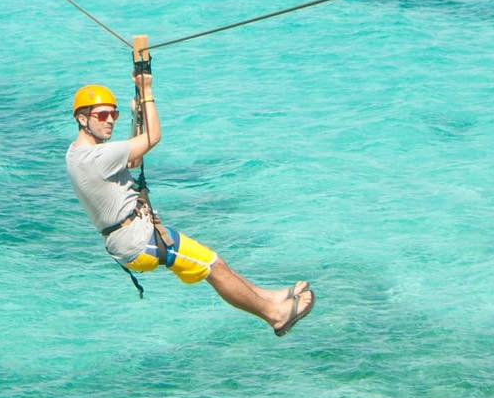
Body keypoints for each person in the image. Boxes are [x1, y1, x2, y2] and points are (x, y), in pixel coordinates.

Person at [66, 76, 315, 336]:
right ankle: (275, 315)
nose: (109, 121)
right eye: (102, 115)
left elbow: (133, 161)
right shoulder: (98, 157)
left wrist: (135, 116)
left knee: (214, 261)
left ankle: (270, 298)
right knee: (212, 267)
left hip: (134, 234)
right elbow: (153, 137)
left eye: (113, 115)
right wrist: (147, 91)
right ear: (83, 119)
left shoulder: (76, 154)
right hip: (137, 241)